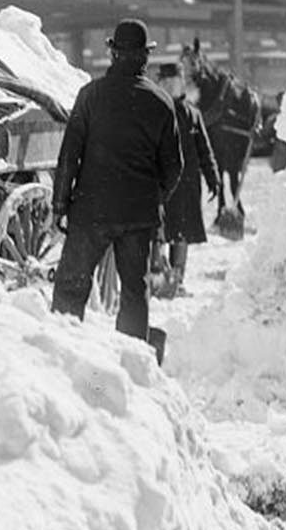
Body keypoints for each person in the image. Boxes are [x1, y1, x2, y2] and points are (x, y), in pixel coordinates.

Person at [51, 19, 183, 344]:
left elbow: (69, 156)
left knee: (71, 286)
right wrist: (153, 196)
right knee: (134, 292)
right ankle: (131, 359)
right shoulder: (161, 102)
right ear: (145, 57)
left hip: (90, 210)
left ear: (112, 53)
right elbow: (174, 167)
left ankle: (64, 353)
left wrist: (59, 206)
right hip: (138, 216)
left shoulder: (90, 96)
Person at [155, 61, 220, 298]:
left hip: (187, 185)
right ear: (159, 84)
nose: (171, 87)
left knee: (181, 233)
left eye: (175, 82)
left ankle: (178, 280)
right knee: (159, 232)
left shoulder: (192, 113)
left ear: (182, 83)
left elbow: (204, 149)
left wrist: (212, 177)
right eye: (166, 82)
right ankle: (159, 278)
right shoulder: (152, 111)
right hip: (160, 185)